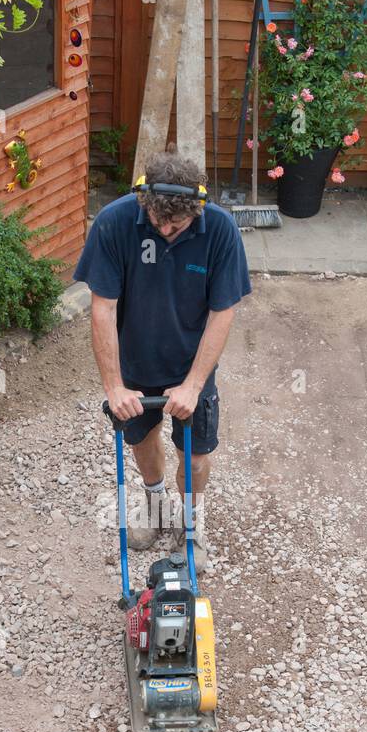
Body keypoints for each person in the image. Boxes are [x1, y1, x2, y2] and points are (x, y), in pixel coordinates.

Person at [73, 149, 251, 572]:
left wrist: (193, 384)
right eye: (157, 220)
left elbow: (222, 311)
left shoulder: (221, 230)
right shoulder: (114, 223)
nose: (165, 228)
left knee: (194, 455)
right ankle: (155, 505)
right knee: (141, 438)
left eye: (176, 223)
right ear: (143, 203)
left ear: (197, 210)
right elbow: (103, 308)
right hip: (135, 360)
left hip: (191, 365)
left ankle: (192, 528)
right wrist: (115, 386)